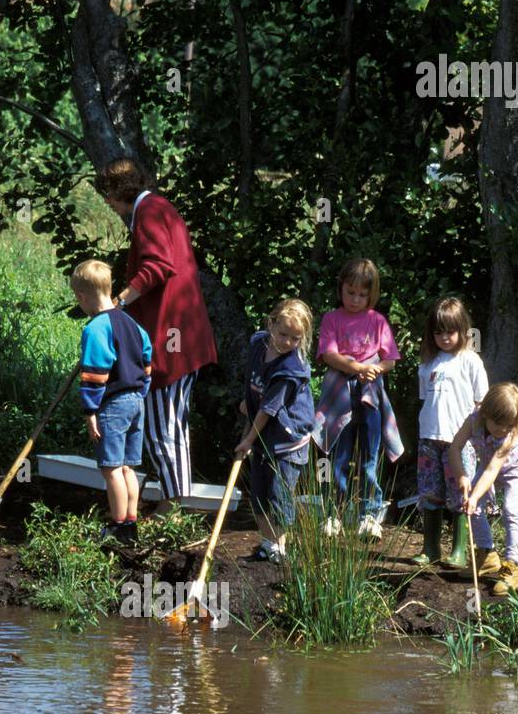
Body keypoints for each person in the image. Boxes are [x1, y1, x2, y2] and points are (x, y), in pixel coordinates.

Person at [96, 157, 217, 512]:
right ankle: (172, 496)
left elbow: (158, 266)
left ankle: (174, 505)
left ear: (118, 192)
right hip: (181, 333)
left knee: (164, 425)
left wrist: (119, 300)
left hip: (173, 339)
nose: (108, 203)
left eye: (108, 195)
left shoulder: (148, 211)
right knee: (170, 422)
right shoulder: (161, 206)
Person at [312, 257, 403, 541]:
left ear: (371, 295)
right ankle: (333, 514)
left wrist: (374, 369)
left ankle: (369, 515)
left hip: (371, 395)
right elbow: (329, 355)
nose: (355, 299)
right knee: (337, 455)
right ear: (341, 289)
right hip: (340, 392)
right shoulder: (331, 318)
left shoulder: (377, 321)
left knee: (369, 456)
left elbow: (390, 359)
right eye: (351, 292)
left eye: (363, 294)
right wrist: (359, 368)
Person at [71, 259, 153, 545]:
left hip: (114, 404)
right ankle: (131, 523)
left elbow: (95, 373)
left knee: (111, 468)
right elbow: (147, 359)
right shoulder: (131, 323)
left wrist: (90, 410)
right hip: (136, 401)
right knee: (129, 466)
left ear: (82, 297)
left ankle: (118, 525)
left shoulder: (95, 329)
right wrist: (141, 391)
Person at [234, 299, 315, 562]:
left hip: (287, 438)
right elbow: (253, 377)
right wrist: (249, 400)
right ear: (271, 324)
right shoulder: (258, 343)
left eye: (295, 338)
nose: (287, 342)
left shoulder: (291, 370)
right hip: (264, 432)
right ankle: (268, 543)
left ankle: (280, 547)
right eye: (283, 334)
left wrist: (247, 440)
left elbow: (269, 410)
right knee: (258, 492)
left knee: (278, 494)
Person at [414, 297, 487, 567]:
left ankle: (459, 551)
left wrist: (476, 437)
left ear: (462, 330)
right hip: (429, 437)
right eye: (438, 332)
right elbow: (426, 400)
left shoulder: (470, 360)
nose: (444, 337)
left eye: (450, 331)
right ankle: (430, 548)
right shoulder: (427, 364)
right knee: (430, 492)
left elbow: (482, 402)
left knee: (460, 491)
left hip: (460, 440)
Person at [448, 382, 518, 596]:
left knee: (511, 509)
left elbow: (491, 471)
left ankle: (514, 566)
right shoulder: (474, 420)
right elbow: (455, 447)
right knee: (471, 504)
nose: (503, 429)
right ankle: (487, 555)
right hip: (491, 464)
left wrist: (475, 495)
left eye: (509, 424)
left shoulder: (512, 435)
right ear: (486, 413)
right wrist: (462, 474)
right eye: (499, 423)